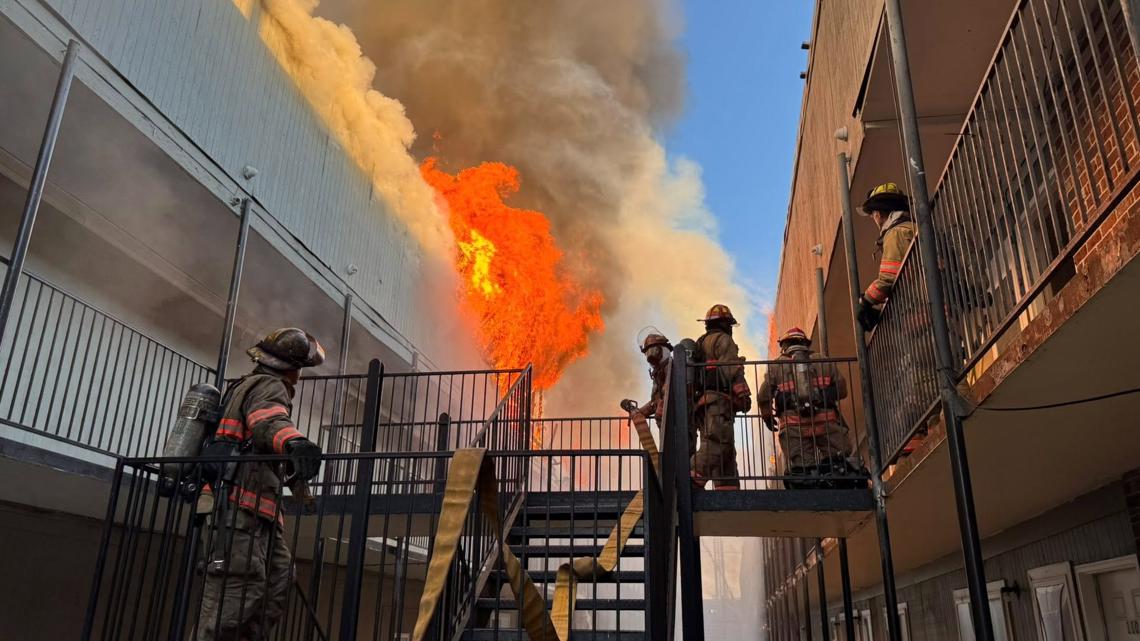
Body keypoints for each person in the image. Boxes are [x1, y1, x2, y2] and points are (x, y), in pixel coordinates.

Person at [196, 328, 326, 641]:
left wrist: (295, 476)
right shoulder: (269, 385)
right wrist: (294, 443)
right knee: (236, 595)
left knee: (277, 578)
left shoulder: (251, 385)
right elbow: (268, 420)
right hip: (236, 511)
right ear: (293, 368)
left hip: (255, 514)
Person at [757, 327, 852, 488]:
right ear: (806, 344)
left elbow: (763, 396)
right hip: (826, 422)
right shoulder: (822, 360)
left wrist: (768, 417)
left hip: (794, 427)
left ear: (784, 345)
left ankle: (812, 494)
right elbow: (842, 391)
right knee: (838, 462)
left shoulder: (776, 366)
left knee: (803, 470)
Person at [691, 304, 749, 490]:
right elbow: (731, 368)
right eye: (729, 325)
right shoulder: (724, 340)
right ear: (725, 324)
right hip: (718, 400)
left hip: (703, 402)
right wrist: (744, 395)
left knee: (726, 450)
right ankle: (690, 479)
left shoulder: (700, 343)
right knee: (717, 443)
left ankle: (728, 490)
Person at [855, 182, 917, 331]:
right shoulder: (910, 227)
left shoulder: (896, 233)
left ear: (878, 213)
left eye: (872, 214)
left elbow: (889, 277)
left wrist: (865, 302)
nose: (873, 218)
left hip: (931, 300)